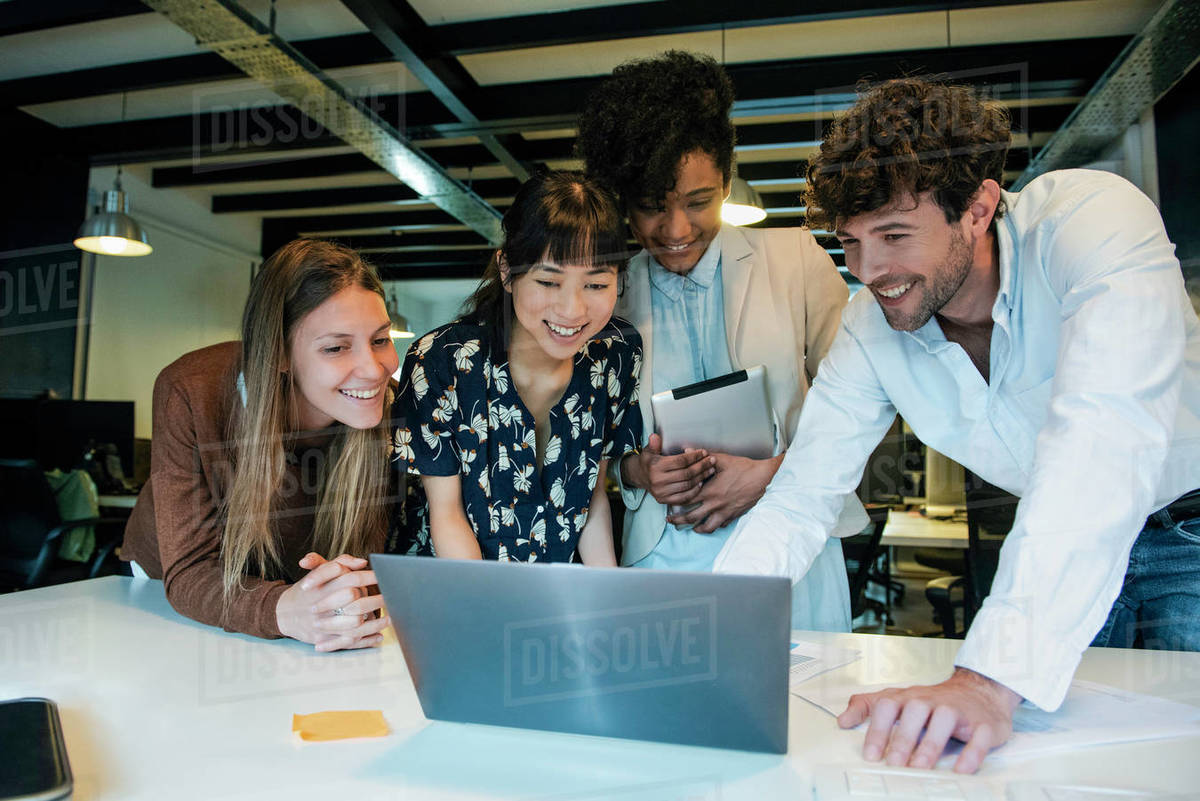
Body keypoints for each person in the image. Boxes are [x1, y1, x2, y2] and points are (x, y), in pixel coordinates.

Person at [716, 77, 1200, 772]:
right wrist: (712, 628)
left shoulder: (1093, 223)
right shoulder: (869, 327)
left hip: (1188, 530)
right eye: (850, 241)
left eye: (894, 235)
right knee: (1063, 771)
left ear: (977, 207)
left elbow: (1103, 443)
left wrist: (987, 679)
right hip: (1049, 550)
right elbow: (802, 495)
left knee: (1183, 760)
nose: (869, 270)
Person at [575, 50, 866, 628]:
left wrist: (772, 474)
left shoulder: (795, 260)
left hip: (791, 545)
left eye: (698, 202)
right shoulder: (608, 294)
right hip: (662, 559)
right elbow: (587, 443)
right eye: (651, 207)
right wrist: (636, 472)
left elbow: (862, 409)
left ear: (727, 183)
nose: (677, 230)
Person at [122, 238, 400, 651]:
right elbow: (191, 572)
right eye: (336, 347)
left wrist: (341, 595)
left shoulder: (390, 409)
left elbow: (373, 561)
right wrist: (283, 609)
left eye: (380, 340)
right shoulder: (192, 390)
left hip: (301, 605)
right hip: (171, 601)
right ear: (279, 354)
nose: (374, 370)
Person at [392, 169, 641, 564]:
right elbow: (447, 515)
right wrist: (493, 603)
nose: (572, 309)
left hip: (554, 587)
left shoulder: (616, 355)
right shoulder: (442, 360)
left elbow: (590, 502)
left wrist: (604, 593)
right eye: (548, 282)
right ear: (507, 271)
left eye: (595, 285)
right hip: (448, 583)